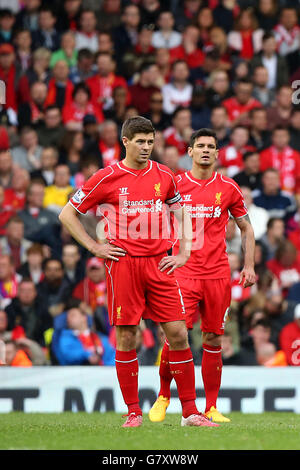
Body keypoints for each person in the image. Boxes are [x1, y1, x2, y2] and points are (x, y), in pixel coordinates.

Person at [59, 115, 218, 428]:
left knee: (178, 334)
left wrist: (184, 251)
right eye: (140, 141)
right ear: (125, 142)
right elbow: (68, 214)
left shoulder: (164, 174)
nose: (146, 147)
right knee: (127, 336)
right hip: (124, 265)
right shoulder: (106, 177)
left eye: (150, 141)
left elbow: (179, 210)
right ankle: (133, 412)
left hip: (160, 262)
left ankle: (190, 413)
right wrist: (94, 247)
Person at [148, 128, 256, 423]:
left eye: (211, 146)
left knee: (213, 339)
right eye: (200, 146)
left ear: (218, 153)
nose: (206, 150)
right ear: (190, 151)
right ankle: (163, 395)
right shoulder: (176, 185)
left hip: (218, 274)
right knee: (176, 335)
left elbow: (246, 228)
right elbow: (154, 222)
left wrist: (249, 266)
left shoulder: (229, 188)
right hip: (183, 272)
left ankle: (210, 407)